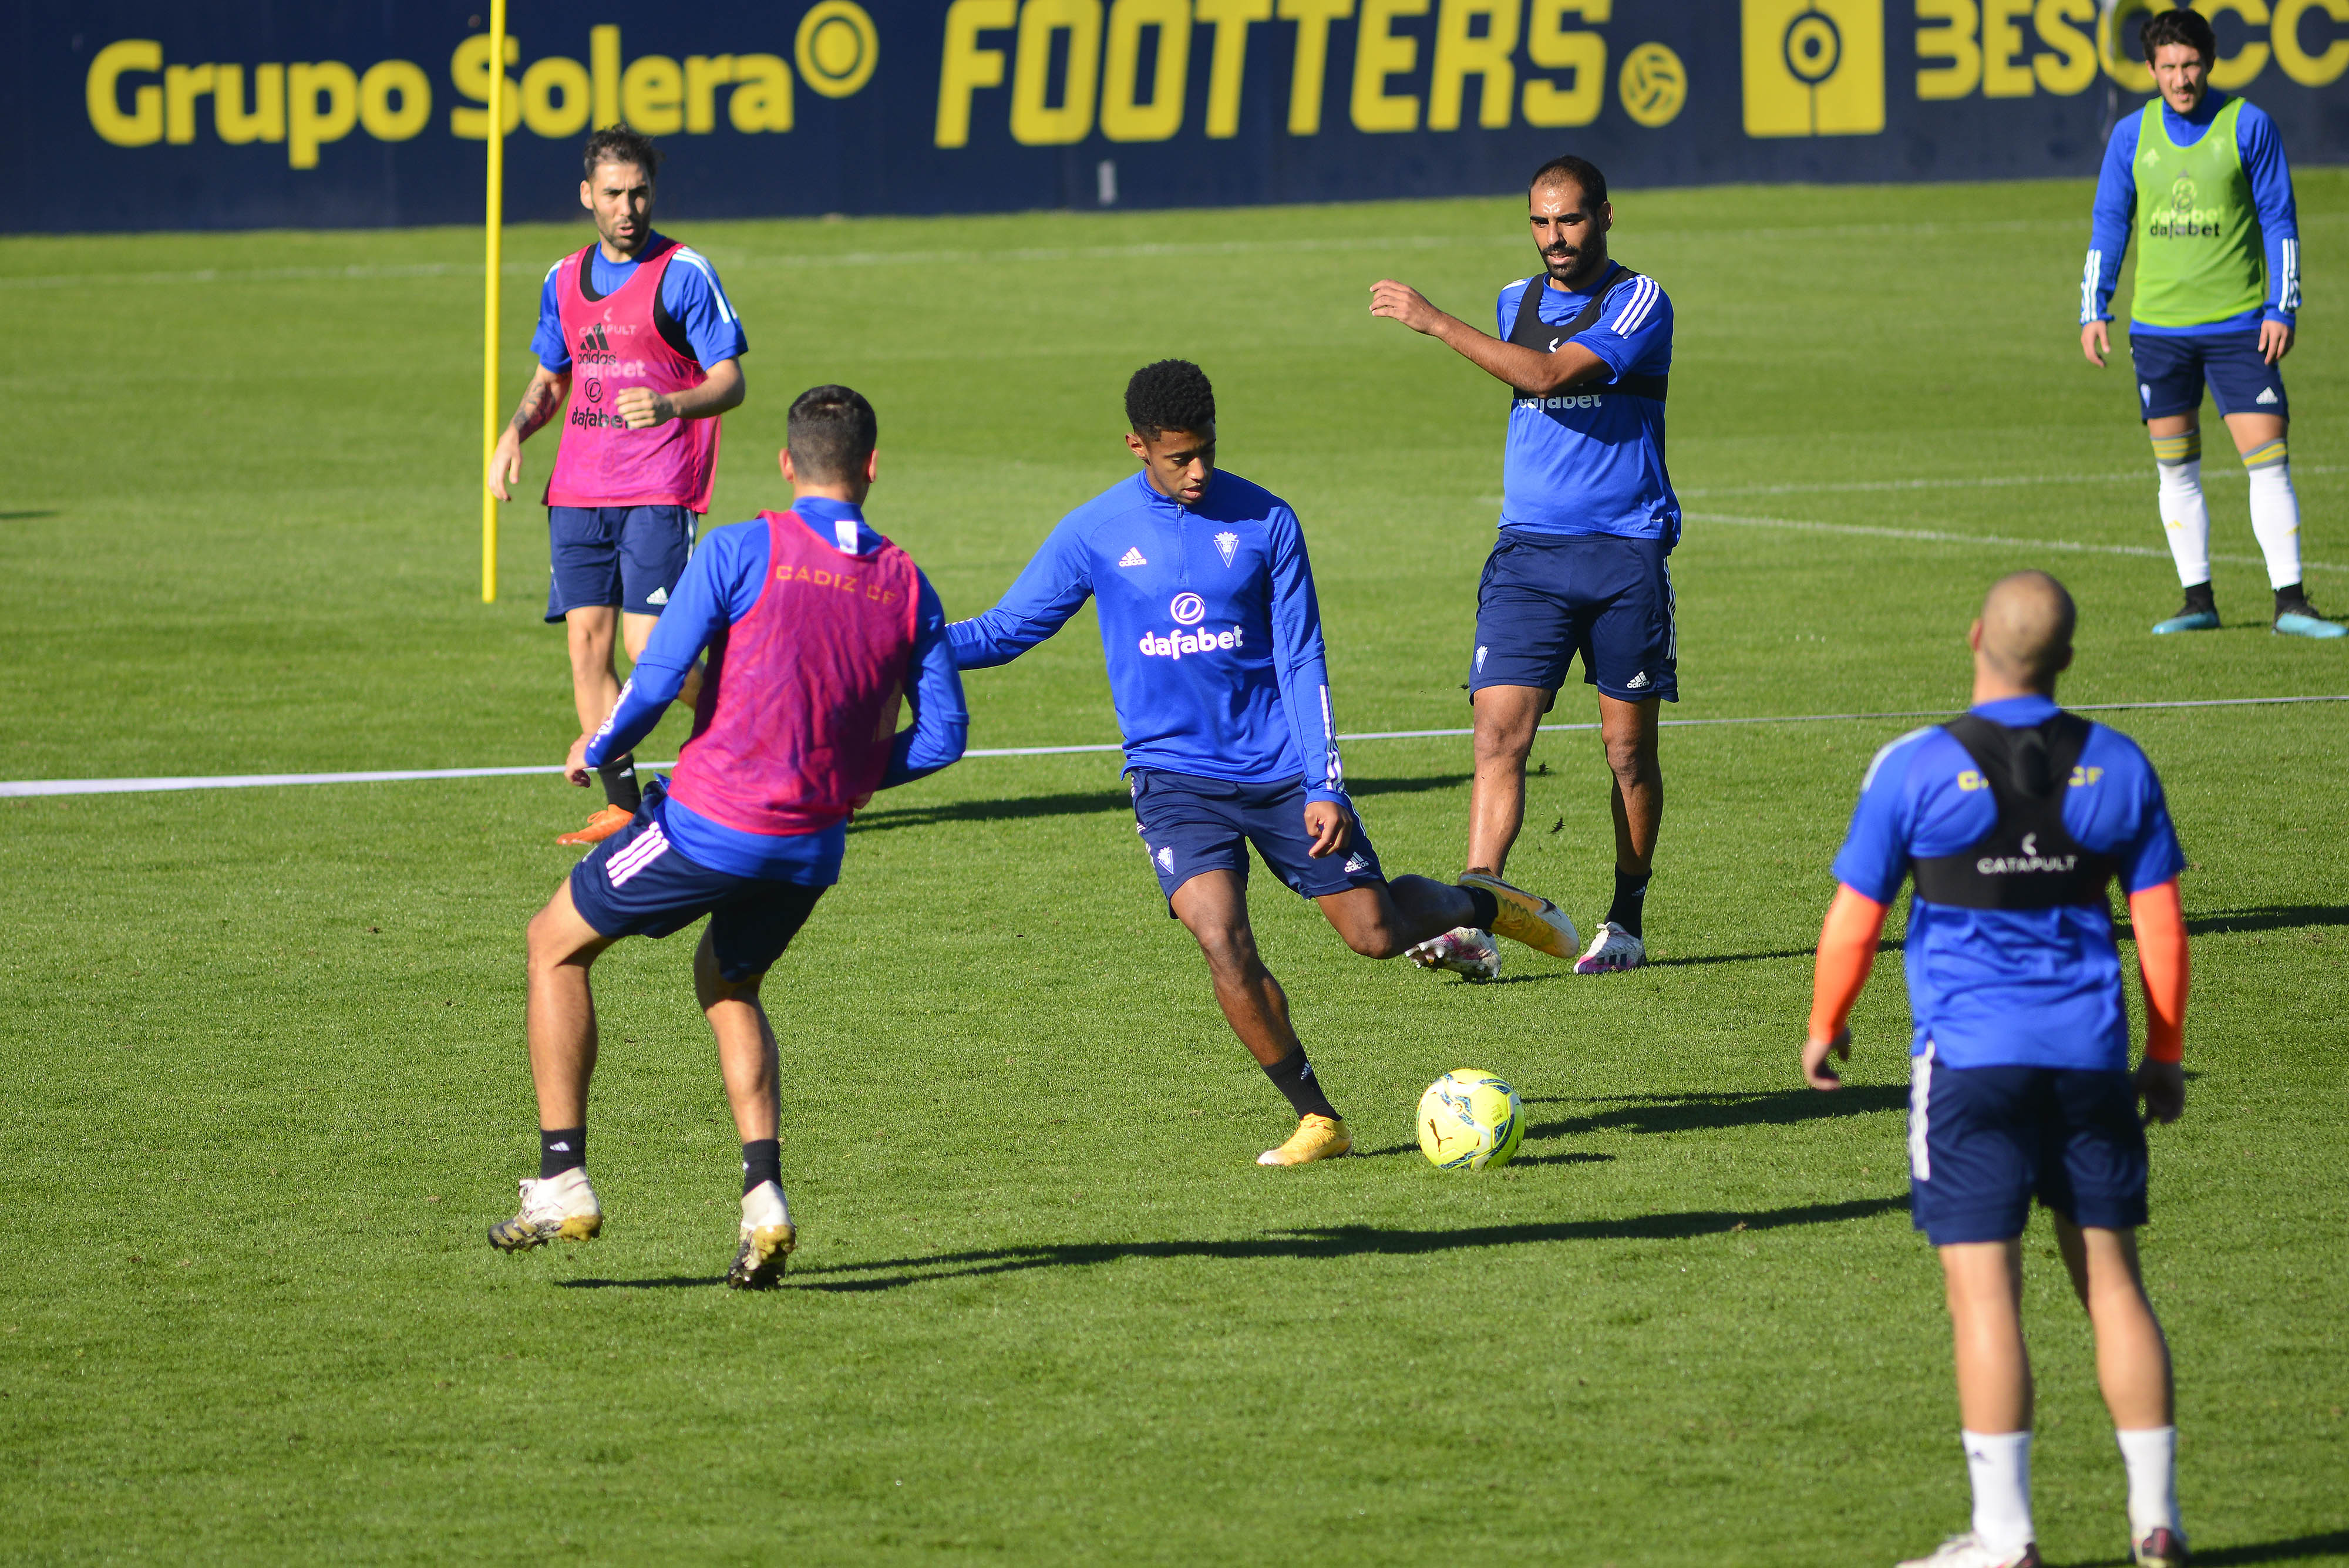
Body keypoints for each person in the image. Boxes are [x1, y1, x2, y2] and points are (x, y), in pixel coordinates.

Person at [949, 360, 1578, 1166]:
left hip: (1281, 772)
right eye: (1179, 458)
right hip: (1174, 782)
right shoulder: (1095, 532)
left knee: (1375, 933)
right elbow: (1008, 627)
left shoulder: (1267, 521)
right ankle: (1320, 1118)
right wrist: (904, 643)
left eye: (1207, 450)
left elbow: (1303, 657)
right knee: (1222, 940)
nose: (1198, 470)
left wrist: (1324, 783)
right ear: (1138, 446)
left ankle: (1480, 902)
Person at [488, 386, 966, 1289]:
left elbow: (660, 673)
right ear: (871, 468)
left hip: (714, 822)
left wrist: (604, 744)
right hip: (813, 846)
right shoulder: (908, 579)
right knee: (729, 977)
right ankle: (764, 1197)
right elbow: (943, 737)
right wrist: (844, 777)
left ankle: (562, 1178)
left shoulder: (746, 546)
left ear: (787, 465)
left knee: (553, 943)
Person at [1803, 571, 2192, 1568]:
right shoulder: (2120, 764)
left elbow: (1856, 919)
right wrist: (2163, 1056)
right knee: (2113, 1285)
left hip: (1969, 1066)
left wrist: (1825, 1026)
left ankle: (2007, 1537)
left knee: (1987, 1298)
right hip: (2091, 1062)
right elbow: (2159, 926)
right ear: (2066, 657)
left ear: (1977, 635)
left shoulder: (1916, 766)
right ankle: (2157, 1523)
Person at [1369, 153, 1679, 980]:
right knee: (1499, 733)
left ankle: (1627, 917)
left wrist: (1435, 320)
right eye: (1541, 222)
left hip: (1623, 553)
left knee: (1627, 754)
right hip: (1529, 553)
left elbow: (1543, 376)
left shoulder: (1640, 301)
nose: (1555, 238)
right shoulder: (1517, 299)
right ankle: (1478, 916)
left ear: (1606, 216)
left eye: (1570, 220)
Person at [487, 124, 755, 846]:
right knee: (586, 647)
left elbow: (730, 380)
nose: (628, 207)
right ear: (587, 197)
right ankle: (625, 808)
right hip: (576, 489)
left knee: (649, 646)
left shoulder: (684, 272)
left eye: (639, 193)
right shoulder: (561, 279)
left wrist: (671, 403)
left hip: (658, 486)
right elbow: (551, 378)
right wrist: (515, 433)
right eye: (613, 194)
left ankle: (755, 730)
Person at [2080, 6, 2344, 639]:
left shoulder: (2247, 125)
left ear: (2210, 61)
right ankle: (2197, 600)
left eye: (2190, 64)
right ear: (2149, 70)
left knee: (2268, 460)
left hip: (2238, 328)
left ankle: (2291, 603)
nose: (2180, 79)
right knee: (2176, 467)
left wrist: (2283, 306)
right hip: (2159, 330)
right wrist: (2094, 307)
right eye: (2168, 67)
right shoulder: (2129, 137)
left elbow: (2280, 220)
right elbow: (2109, 224)